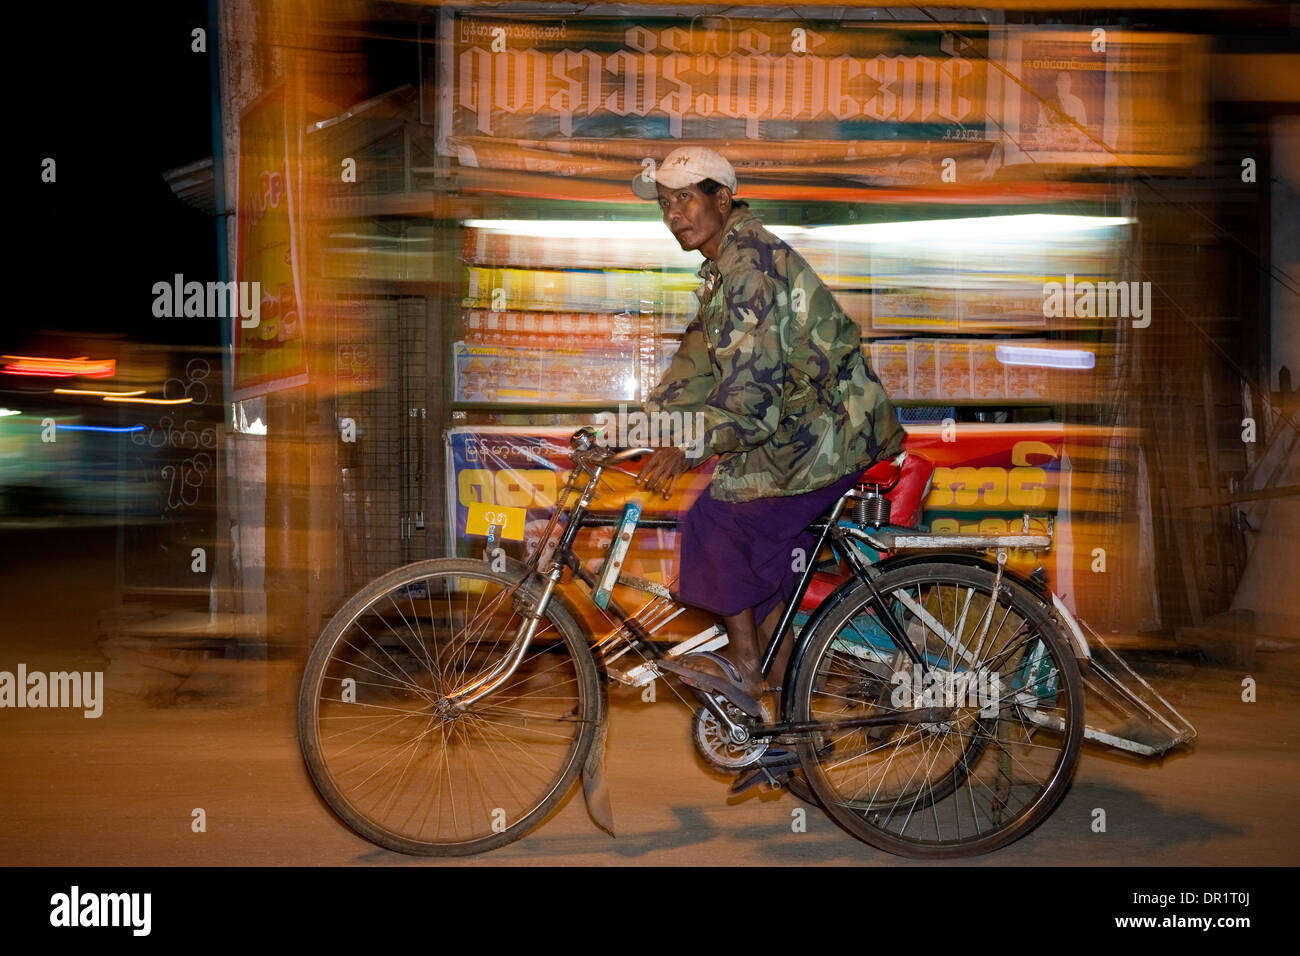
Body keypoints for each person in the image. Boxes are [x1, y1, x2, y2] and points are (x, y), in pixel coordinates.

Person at [631, 146, 904, 700]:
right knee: (761, 546)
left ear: (723, 199)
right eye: (664, 203)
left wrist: (685, 449)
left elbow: (749, 406)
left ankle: (746, 668)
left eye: (685, 197)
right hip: (804, 430)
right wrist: (635, 430)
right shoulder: (726, 267)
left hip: (832, 434)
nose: (673, 214)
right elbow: (694, 368)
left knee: (719, 515)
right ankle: (783, 708)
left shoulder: (748, 269)